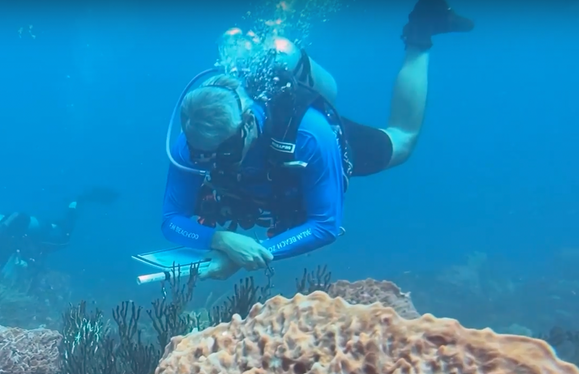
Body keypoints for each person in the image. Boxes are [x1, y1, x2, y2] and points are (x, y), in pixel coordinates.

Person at [161, 0, 474, 280]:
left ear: (246, 125)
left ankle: (420, 34)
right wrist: (220, 240)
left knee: (403, 141)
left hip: (311, 142)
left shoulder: (309, 134)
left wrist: (251, 253)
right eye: (200, 154)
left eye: (223, 152)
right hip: (266, 179)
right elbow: (171, 219)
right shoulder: (195, 140)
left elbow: (325, 225)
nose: (210, 162)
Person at [0, 187, 119, 281]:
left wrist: (29, 257)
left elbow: (21, 218)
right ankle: (69, 208)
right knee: (57, 225)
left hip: (40, 234)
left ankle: (76, 203)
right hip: (36, 233)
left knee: (64, 238)